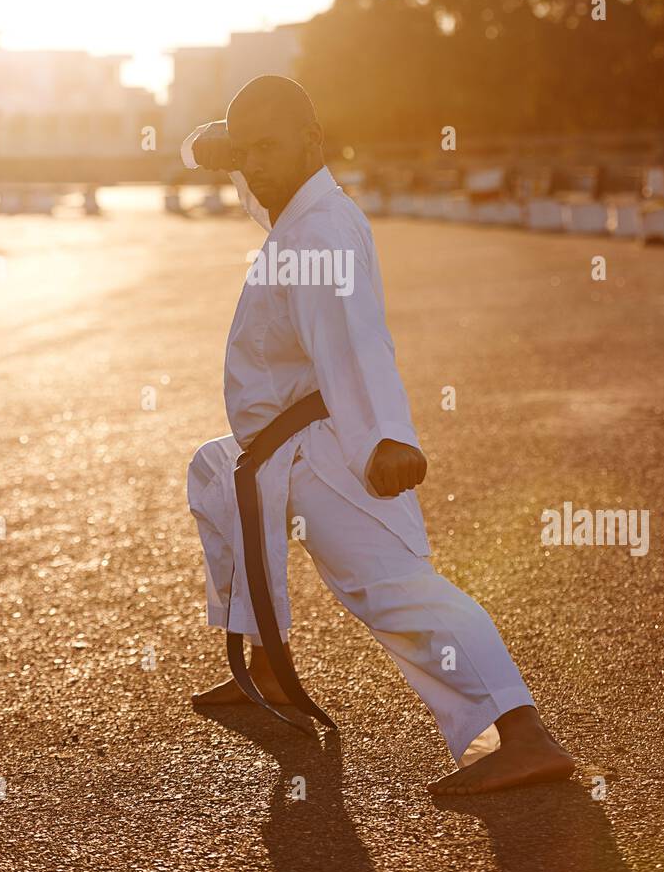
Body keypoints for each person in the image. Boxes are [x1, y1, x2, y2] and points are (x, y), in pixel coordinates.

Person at [182, 74, 575, 795]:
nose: (253, 163)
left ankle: (525, 734)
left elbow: (354, 344)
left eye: (267, 147)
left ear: (312, 143)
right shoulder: (298, 209)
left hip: (331, 450)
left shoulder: (320, 232)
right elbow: (248, 161)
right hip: (278, 451)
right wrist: (217, 143)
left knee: (394, 591)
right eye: (246, 151)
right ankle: (266, 662)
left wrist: (385, 438)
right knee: (215, 475)